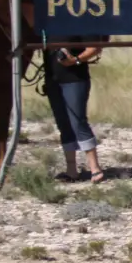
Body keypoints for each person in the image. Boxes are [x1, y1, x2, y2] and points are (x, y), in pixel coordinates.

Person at [44, 36, 107, 183]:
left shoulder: (77, 22)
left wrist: (75, 60)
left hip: (75, 78)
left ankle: (95, 168)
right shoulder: (47, 25)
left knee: (78, 121)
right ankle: (71, 169)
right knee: (63, 124)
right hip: (53, 79)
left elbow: (94, 48)